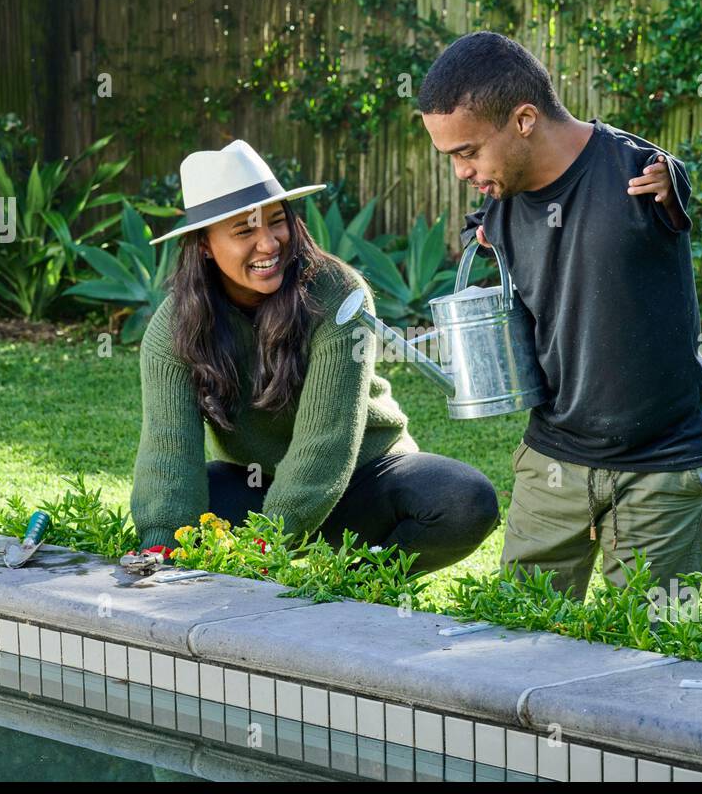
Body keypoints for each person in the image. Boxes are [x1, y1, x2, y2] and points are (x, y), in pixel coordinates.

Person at [417, 31, 702, 609]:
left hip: (661, 463)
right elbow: (482, 243)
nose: (459, 171)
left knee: (657, 648)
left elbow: (677, 194)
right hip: (552, 460)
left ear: (525, 119)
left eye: (467, 151)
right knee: (519, 634)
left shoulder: (638, 176)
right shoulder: (498, 210)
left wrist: (672, 185)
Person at [128, 139, 499, 575]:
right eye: (245, 231)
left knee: (463, 500)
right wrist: (163, 551)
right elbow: (168, 453)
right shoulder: (173, 329)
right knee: (191, 497)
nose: (269, 244)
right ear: (205, 245)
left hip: (367, 479)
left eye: (277, 222)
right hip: (261, 483)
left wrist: (266, 544)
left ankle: (357, 585)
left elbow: (328, 441)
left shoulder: (338, 294)